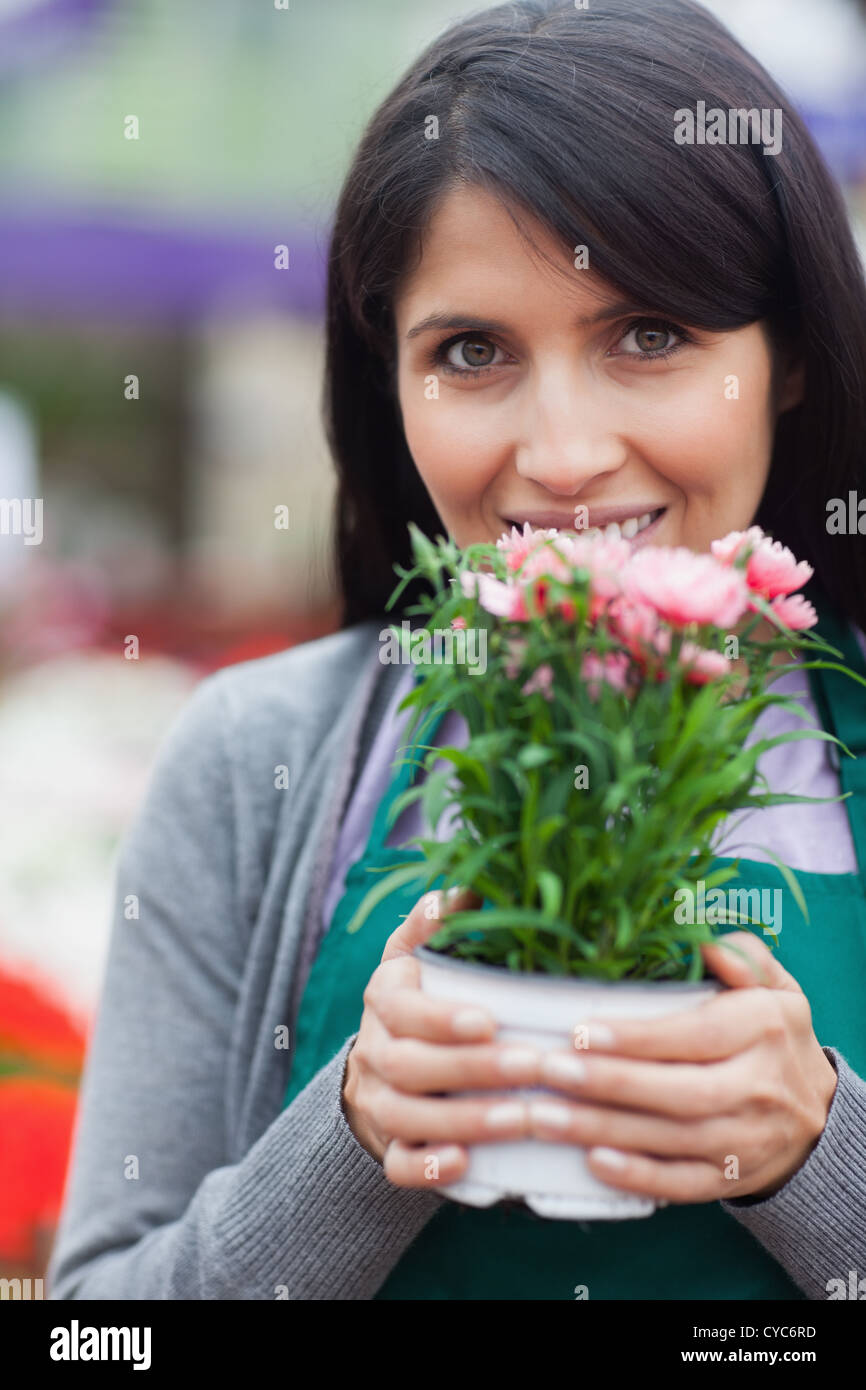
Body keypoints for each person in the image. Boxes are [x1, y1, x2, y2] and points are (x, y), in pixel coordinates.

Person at [48, 0, 866, 1300]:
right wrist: (359, 1136)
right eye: (471, 352)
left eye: (648, 335)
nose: (559, 453)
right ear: (389, 379)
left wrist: (821, 1154)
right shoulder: (256, 757)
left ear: (787, 363)